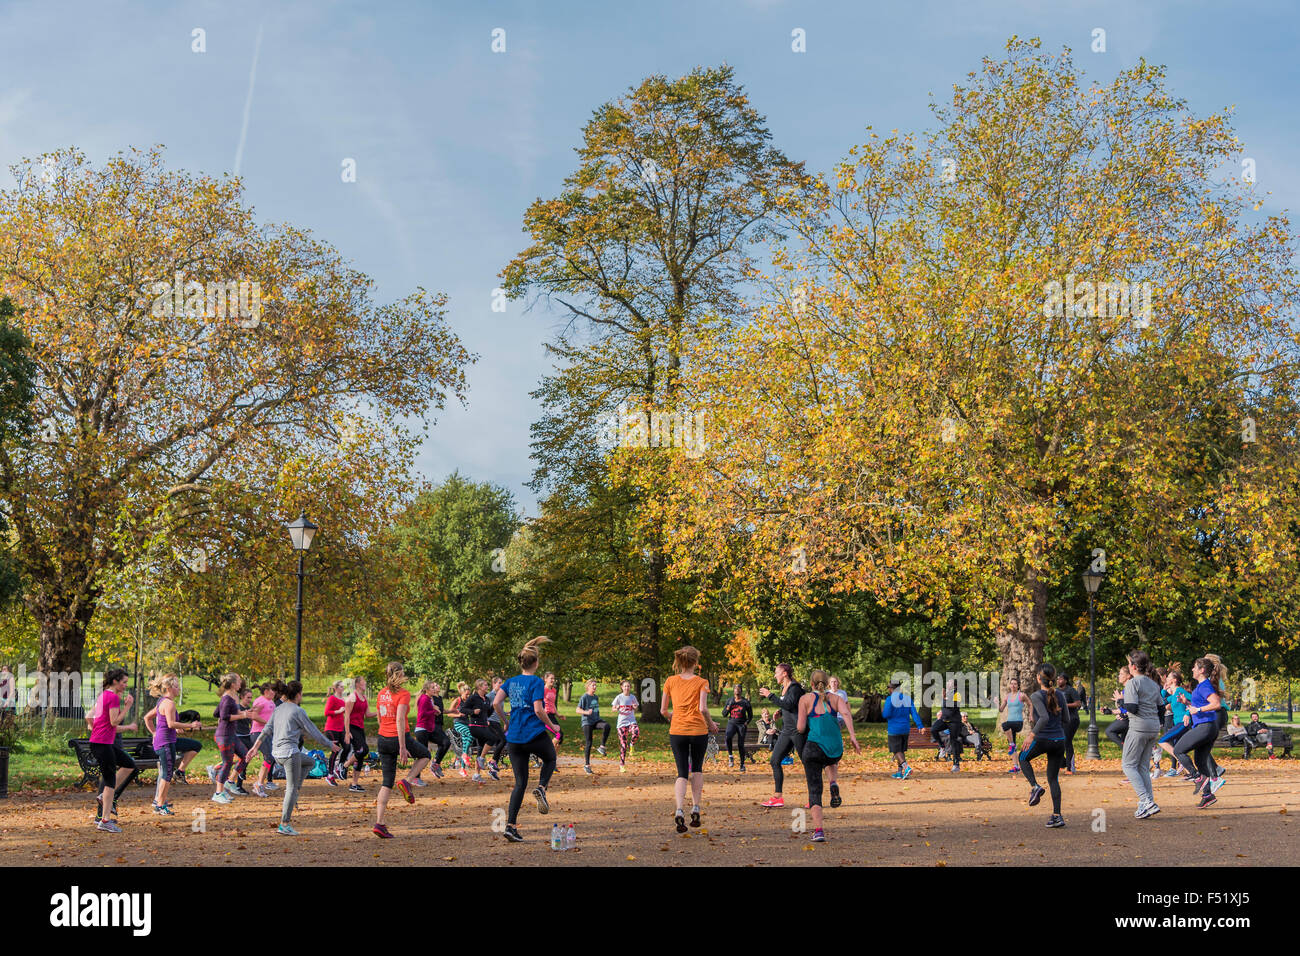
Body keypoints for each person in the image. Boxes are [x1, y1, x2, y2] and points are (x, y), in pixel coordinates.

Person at [247, 680, 339, 835]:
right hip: (289, 753)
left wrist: (255, 747)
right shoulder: (298, 711)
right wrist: (330, 744)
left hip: (276, 753)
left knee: (309, 762)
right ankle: (284, 823)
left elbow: (267, 730)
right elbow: (313, 731)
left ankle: (294, 791)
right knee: (291, 788)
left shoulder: (278, 708)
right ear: (298, 694)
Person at [493, 637, 561, 843]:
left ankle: (510, 826)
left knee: (519, 783)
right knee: (550, 759)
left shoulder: (511, 681)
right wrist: (552, 726)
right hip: (533, 733)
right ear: (536, 663)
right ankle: (541, 788)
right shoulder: (537, 681)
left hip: (514, 737)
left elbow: (496, 703)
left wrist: (506, 721)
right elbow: (539, 709)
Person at [797, 669, 861, 842]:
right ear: (827, 683)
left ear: (811, 683)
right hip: (835, 748)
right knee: (830, 760)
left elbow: (801, 728)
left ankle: (818, 831)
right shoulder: (837, 698)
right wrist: (853, 737)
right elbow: (846, 714)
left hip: (813, 748)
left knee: (815, 790)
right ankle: (833, 782)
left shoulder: (805, 699)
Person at [661, 645, 718, 833]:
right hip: (697, 731)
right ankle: (695, 807)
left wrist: (674, 717)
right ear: (696, 662)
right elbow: (702, 709)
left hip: (677, 731)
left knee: (681, 772)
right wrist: (711, 724)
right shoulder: (702, 682)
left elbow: (663, 711)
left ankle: (679, 809)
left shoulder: (670, 681)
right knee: (698, 768)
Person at [372, 662, 431, 838]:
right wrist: (402, 747)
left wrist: (384, 733)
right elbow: (399, 720)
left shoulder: (382, 693)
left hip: (382, 738)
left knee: (386, 782)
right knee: (425, 755)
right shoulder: (403, 694)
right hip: (398, 737)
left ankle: (379, 823)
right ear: (400, 674)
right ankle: (407, 781)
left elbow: (379, 717)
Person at [1018, 663, 1068, 828]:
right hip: (1059, 740)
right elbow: (1066, 719)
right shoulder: (1060, 695)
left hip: (1044, 739)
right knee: (1053, 779)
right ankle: (1057, 816)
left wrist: (1031, 736)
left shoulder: (1037, 695)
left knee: (1022, 757)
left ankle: (1035, 786)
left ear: (1039, 678)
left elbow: (1044, 718)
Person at [86, 669, 137, 832]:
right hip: (102, 744)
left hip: (103, 743)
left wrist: (98, 728)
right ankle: (105, 820)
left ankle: (104, 796)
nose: (125, 685)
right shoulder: (112, 697)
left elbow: (98, 720)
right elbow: (114, 721)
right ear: (115, 681)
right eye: (123, 682)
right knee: (109, 782)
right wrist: (128, 706)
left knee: (129, 764)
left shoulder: (104, 695)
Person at [1172, 657, 1226, 809]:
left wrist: (1199, 709)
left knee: (1178, 750)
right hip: (1207, 727)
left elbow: (1216, 703)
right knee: (1201, 761)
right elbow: (1199, 707)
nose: (1192, 670)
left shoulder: (1204, 686)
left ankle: (1197, 778)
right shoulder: (1201, 686)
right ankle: (1208, 795)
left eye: (1195, 667)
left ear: (1202, 670)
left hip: (1205, 727)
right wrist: (1187, 703)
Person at [145, 674, 200, 816]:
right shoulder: (168, 703)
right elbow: (170, 723)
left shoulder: (163, 701)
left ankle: (179, 773)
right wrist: (190, 725)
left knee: (195, 746)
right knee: (167, 774)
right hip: (165, 743)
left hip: (167, 741)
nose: (179, 688)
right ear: (169, 688)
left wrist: (156, 733)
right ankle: (160, 805)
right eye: (176, 686)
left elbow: (158, 721)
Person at [1120, 650, 1164, 819]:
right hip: (1153, 727)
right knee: (1143, 767)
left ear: (1133, 666)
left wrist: (1119, 701)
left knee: (1128, 765)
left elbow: (1132, 708)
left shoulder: (1132, 683)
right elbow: (1161, 707)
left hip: (1138, 727)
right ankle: (1148, 804)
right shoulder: (1153, 684)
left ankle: (1146, 800)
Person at [758, 663, 805, 807]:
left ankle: (815, 798)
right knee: (775, 760)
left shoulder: (795, 688)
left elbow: (791, 704)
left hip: (798, 731)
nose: (775, 675)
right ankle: (778, 797)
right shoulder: (784, 689)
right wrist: (780, 711)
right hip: (786, 731)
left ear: (784, 673)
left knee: (807, 764)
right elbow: (788, 705)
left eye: (776, 672)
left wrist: (769, 695)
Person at [210, 673, 253, 805]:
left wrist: (246, 713)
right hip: (224, 735)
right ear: (233, 684)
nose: (241, 683)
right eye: (239, 681)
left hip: (231, 734)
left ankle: (229, 783)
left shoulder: (231, 697)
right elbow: (224, 716)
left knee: (246, 756)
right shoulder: (227, 698)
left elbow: (216, 713)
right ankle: (218, 793)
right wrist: (242, 716)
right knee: (227, 762)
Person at [1157, 669, 1197, 778]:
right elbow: (1162, 701)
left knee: (1162, 740)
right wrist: (1164, 691)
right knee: (1179, 748)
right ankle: (1192, 773)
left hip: (1183, 723)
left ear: (1174, 680)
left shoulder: (1180, 691)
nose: (1166, 679)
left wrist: (1188, 713)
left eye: (1169, 677)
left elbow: (1194, 701)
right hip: (1177, 723)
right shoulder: (1174, 694)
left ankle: (1182, 762)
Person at [882, 679, 923, 779]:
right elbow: (914, 713)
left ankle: (906, 767)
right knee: (901, 750)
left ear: (892, 689)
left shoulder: (890, 699)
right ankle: (900, 773)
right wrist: (920, 725)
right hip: (905, 729)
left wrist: (885, 711)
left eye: (889, 688)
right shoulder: (907, 699)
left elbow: (886, 714)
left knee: (896, 751)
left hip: (894, 729)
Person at [467, 678, 506, 780]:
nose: (501, 685)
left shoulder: (499, 696)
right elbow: (482, 711)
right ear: (494, 684)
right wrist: (482, 718)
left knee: (481, 746)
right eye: (499, 683)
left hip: (493, 723)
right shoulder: (488, 696)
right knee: (500, 740)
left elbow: (494, 711)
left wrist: (505, 718)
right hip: (488, 723)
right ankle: (491, 763)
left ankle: (479, 773)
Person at [414, 680, 451, 780]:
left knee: (445, 742)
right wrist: (433, 711)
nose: (434, 689)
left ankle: (435, 764)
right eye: (432, 688)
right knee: (422, 755)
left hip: (428, 729)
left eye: (435, 687)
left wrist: (434, 709)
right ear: (426, 690)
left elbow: (430, 711)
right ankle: (415, 778)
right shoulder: (424, 698)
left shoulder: (430, 699)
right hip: (422, 730)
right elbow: (422, 714)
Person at [576, 678, 611, 774]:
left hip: (595, 721)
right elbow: (577, 710)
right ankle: (587, 765)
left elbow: (596, 710)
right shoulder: (584, 697)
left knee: (607, 726)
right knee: (589, 742)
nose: (595, 687)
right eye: (593, 685)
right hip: (587, 722)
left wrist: (599, 718)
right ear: (588, 687)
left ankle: (602, 747)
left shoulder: (596, 697)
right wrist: (586, 712)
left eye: (596, 685)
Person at [342, 676, 369, 792]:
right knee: (363, 750)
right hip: (352, 728)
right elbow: (346, 715)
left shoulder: (364, 697)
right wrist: (347, 733)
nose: (365, 683)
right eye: (364, 681)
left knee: (361, 755)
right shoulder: (352, 697)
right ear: (358, 684)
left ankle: (354, 784)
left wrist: (380, 712)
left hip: (360, 728)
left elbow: (367, 714)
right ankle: (344, 765)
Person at [929, 679, 963, 771]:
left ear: (955, 685)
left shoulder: (957, 694)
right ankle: (942, 747)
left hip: (954, 721)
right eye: (947, 682)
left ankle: (956, 764)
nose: (947, 683)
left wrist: (944, 700)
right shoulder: (946, 694)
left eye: (950, 682)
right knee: (933, 729)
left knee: (953, 741)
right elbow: (944, 704)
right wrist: (944, 698)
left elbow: (954, 705)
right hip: (944, 720)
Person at [611, 680, 640, 772]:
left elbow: (636, 706)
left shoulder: (632, 697)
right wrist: (618, 707)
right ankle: (622, 765)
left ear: (630, 688)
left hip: (631, 721)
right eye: (625, 686)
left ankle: (632, 744)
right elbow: (613, 708)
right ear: (622, 687)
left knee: (636, 732)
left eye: (628, 686)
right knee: (623, 745)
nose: (627, 688)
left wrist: (635, 707)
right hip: (621, 723)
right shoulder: (619, 697)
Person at [722, 685, 753, 771]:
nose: (737, 690)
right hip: (732, 723)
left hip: (741, 725)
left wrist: (746, 723)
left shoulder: (745, 702)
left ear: (741, 691)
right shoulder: (730, 701)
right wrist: (728, 708)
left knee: (740, 744)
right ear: (733, 691)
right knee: (728, 737)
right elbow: (724, 714)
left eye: (739, 689)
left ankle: (742, 764)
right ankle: (730, 756)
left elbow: (750, 716)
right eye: (735, 689)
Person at [999, 677, 1029, 767]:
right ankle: (1016, 766)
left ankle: (1012, 745)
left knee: (1004, 725)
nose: (1013, 685)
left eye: (1015, 684)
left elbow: (1030, 704)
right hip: (1010, 724)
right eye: (1011, 683)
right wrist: (996, 703)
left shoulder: (1022, 695)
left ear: (1018, 685)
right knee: (1012, 745)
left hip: (1018, 723)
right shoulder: (1007, 696)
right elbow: (1001, 709)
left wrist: (1031, 715)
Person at [323, 680, 348, 785]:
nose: (343, 689)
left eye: (344, 687)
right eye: (341, 687)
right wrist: (338, 711)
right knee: (336, 750)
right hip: (331, 728)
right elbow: (326, 712)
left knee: (347, 747)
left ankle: (339, 767)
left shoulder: (343, 699)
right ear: (336, 688)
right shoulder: (332, 698)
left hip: (340, 728)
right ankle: (330, 776)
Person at [1057, 672, 1082, 772]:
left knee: (1067, 741)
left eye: (1061, 679)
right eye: (1058, 679)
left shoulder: (1071, 690)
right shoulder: (1056, 691)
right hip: (1060, 720)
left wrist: (1065, 705)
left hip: (1072, 719)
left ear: (1066, 680)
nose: (1059, 681)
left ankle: (1070, 768)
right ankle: (1062, 763)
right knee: (1058, 742)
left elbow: (1078, 703)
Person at [1105, 666, 1131, 751]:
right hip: (1126, 718)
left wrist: (1124, 714)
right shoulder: (1125, 689)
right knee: (1125, 741)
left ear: (1128, 676)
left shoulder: (1130, 688)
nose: (1119, 676)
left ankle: (1127, 750)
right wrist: (1110, 711)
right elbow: (1123, 708)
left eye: (1121, 674)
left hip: (1130, 720)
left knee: (1110, 731)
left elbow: (1130, 707)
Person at [543, 672, 564, 750]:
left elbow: (553, 704)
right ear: (545, 679)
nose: (553, 680)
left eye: (553, 678)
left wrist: (558, 715)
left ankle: (553, 759)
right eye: (551, 678)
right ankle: (547, 755)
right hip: (545, 716)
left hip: (552, 716)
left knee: (561, 737)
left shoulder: (554, 690)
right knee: (558, 735)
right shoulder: (543, 690)